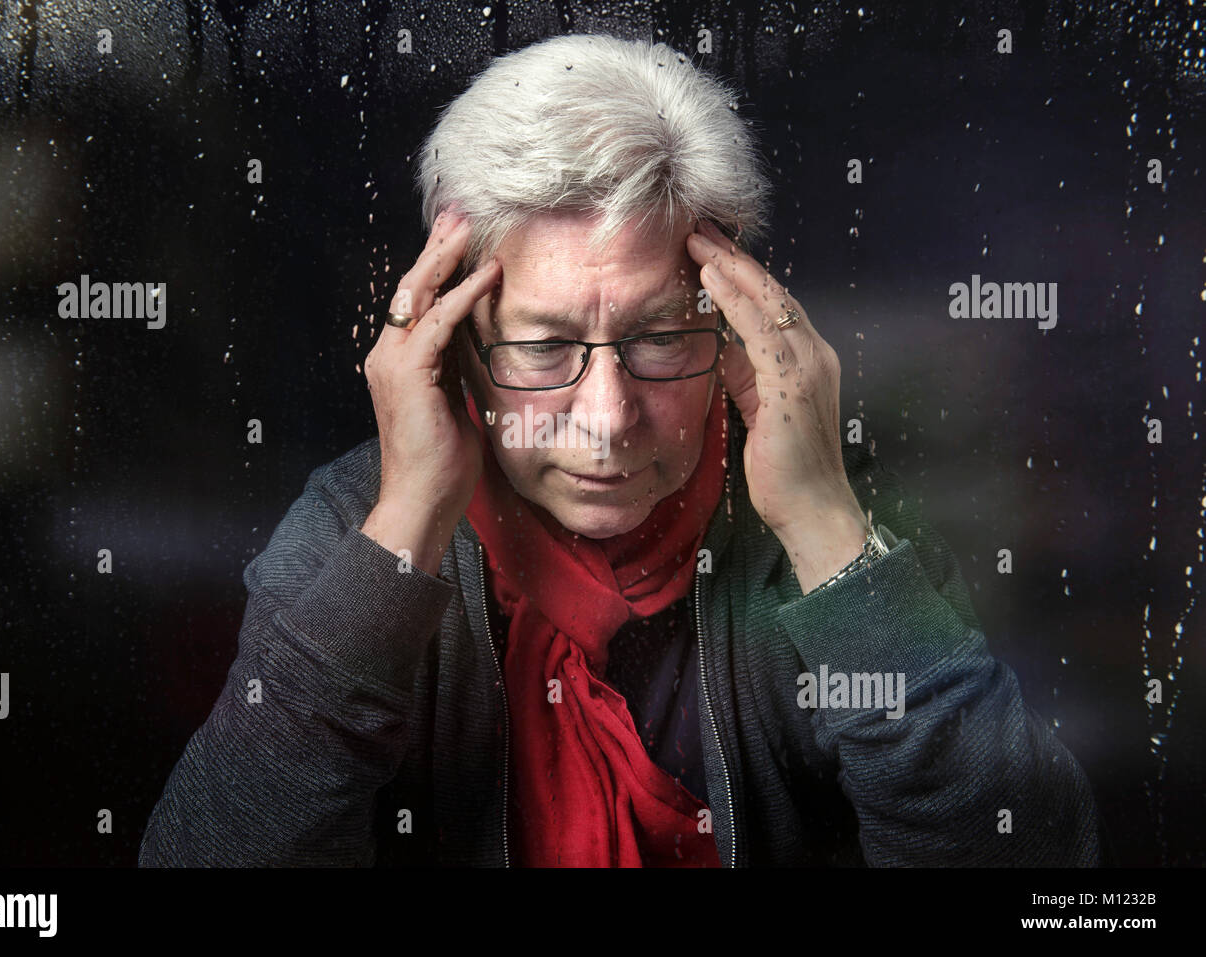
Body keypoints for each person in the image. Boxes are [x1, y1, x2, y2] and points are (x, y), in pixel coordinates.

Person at [139, 33, 1103, 867]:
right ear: (457, 342)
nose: (606, 417)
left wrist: (823, 528)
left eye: (658, 339)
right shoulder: (360, 518)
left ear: (734, 322)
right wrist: (402, 535)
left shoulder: (827, 514)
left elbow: (1038, 872)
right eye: (544, 345)